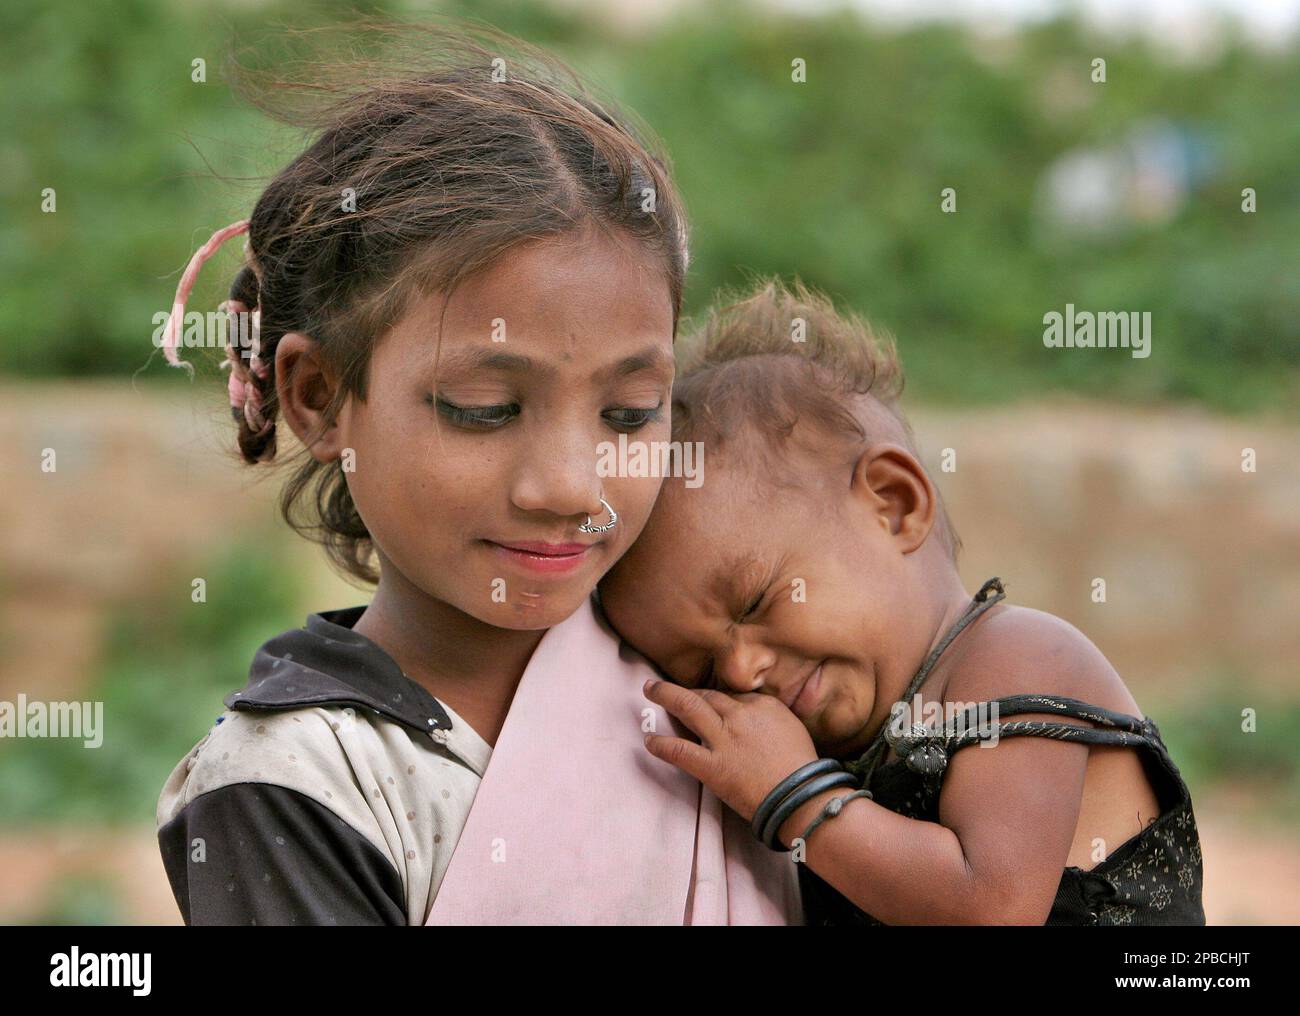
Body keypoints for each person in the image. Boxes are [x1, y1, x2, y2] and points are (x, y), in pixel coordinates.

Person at [153, 26, 799, 926]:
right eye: (485, 410)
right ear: (319, 396)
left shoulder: (725, 687)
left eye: (629, 413)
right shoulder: (300, 784)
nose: (572, 486)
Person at [598, 279, 1205, 925]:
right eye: (700, 669)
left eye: (755, 602)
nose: (742, 672)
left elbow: (991, 907)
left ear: (893, 505)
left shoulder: (1021, 657)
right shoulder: (838, 750)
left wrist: (794, 796)